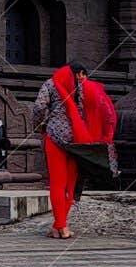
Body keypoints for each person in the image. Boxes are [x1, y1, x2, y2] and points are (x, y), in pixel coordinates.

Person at [32, 60, 118, 240]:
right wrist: (103, 134)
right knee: (70, 184)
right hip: (78, 139)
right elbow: (107, 112)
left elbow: (40, 107)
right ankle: (60, 226)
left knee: (57, 182)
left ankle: (60, 226)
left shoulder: (50, 84)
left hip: (54, 136)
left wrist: (41, 126)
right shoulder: (86, 88)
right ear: (80, 74)